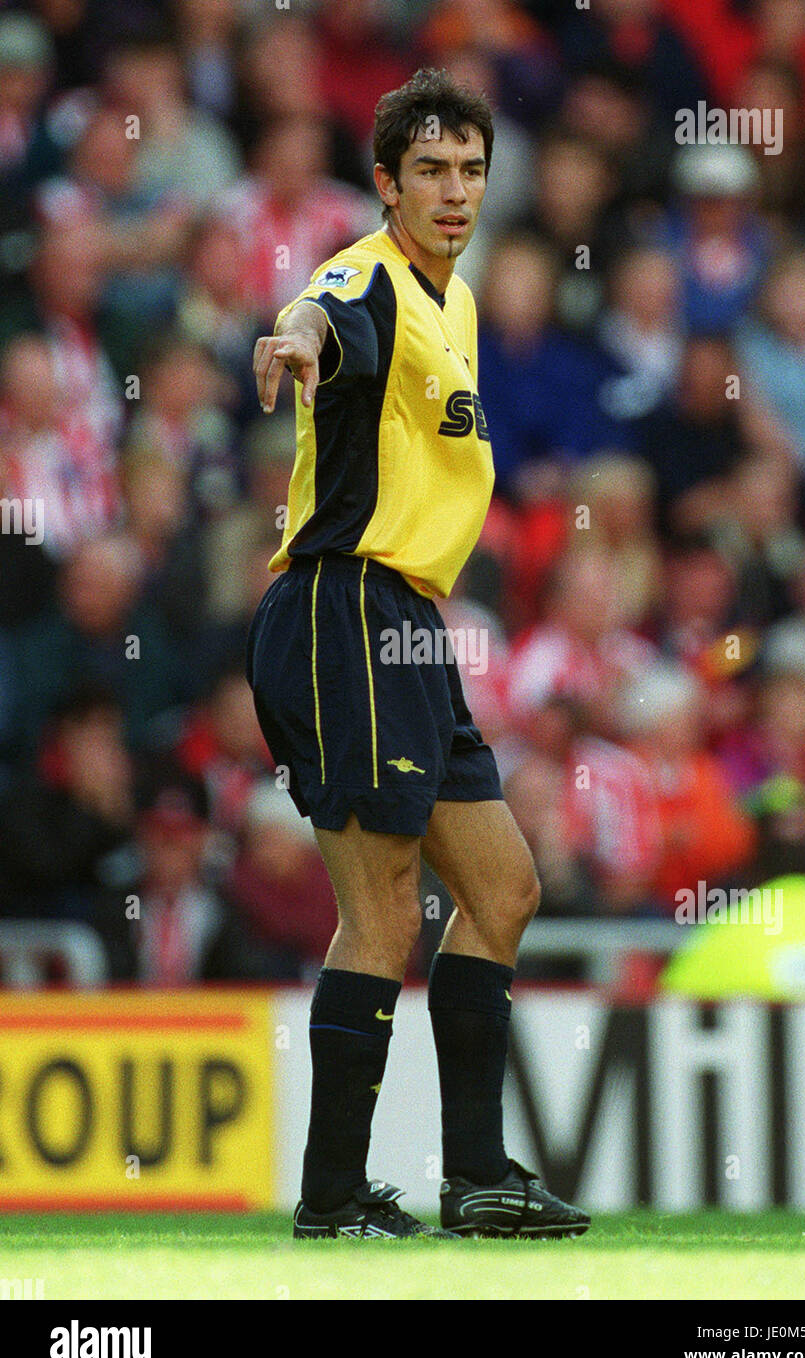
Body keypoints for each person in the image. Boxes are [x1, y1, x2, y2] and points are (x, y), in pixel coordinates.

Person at [250, 68, 589, 1240]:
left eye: (471, 171)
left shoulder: (461, 303)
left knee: (501, 890)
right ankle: (331, 1195)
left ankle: (476, 1176)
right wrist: (292, 337)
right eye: (430, 170)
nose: (454, 191)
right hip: (341, 605)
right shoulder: (369, 279)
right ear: (385, 183)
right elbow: (319, 312)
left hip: (405, 621)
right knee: (384, 910)